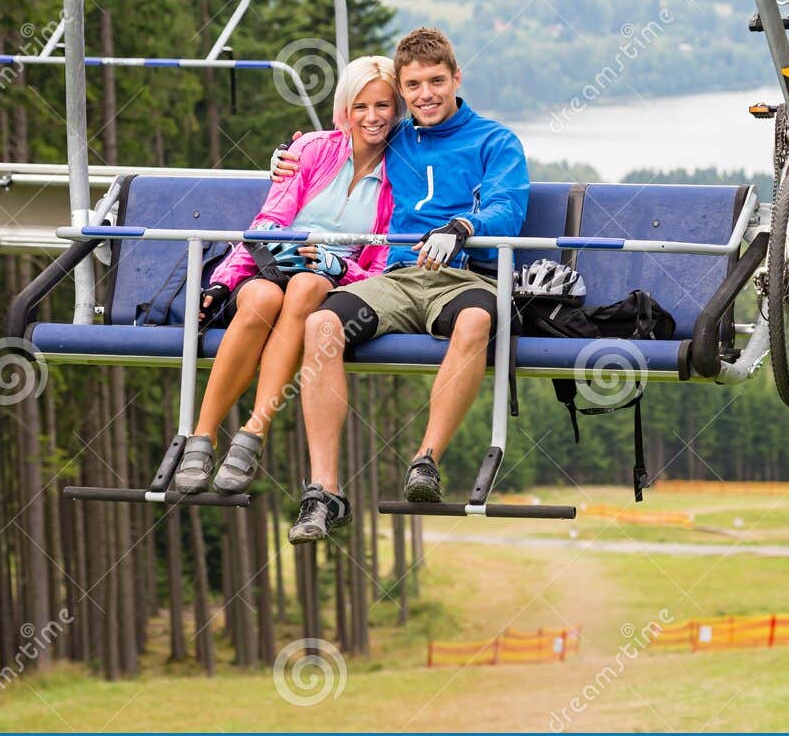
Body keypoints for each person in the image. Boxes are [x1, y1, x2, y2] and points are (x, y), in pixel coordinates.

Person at [283, 27, 529, 543]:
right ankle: (323, 491)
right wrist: (289, 157)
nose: (426, 95)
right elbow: (340, 145)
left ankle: (426, 461)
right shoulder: (395, 136)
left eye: (436, 81)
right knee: (322, 323)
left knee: (476, 320)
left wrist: (463, 227)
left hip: (464, 275)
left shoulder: (494, 141)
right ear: (402, 89)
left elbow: (508, 208)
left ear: (456, 78)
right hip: (397, 277)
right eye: (413, 86)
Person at [172, 56, 398, 494]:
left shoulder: (398, 178)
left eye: (383, 106)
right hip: (276, 262)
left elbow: (380, 267)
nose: (372, 117)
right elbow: (267, 222)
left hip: (330, 278)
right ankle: (203, 435)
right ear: (345, 109)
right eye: (361, 106)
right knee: (260, 299)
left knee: (306, 286)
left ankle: (254, 430)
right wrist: (222, 281)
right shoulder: (311, 150)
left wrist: (338, 267)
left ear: (396, 110)